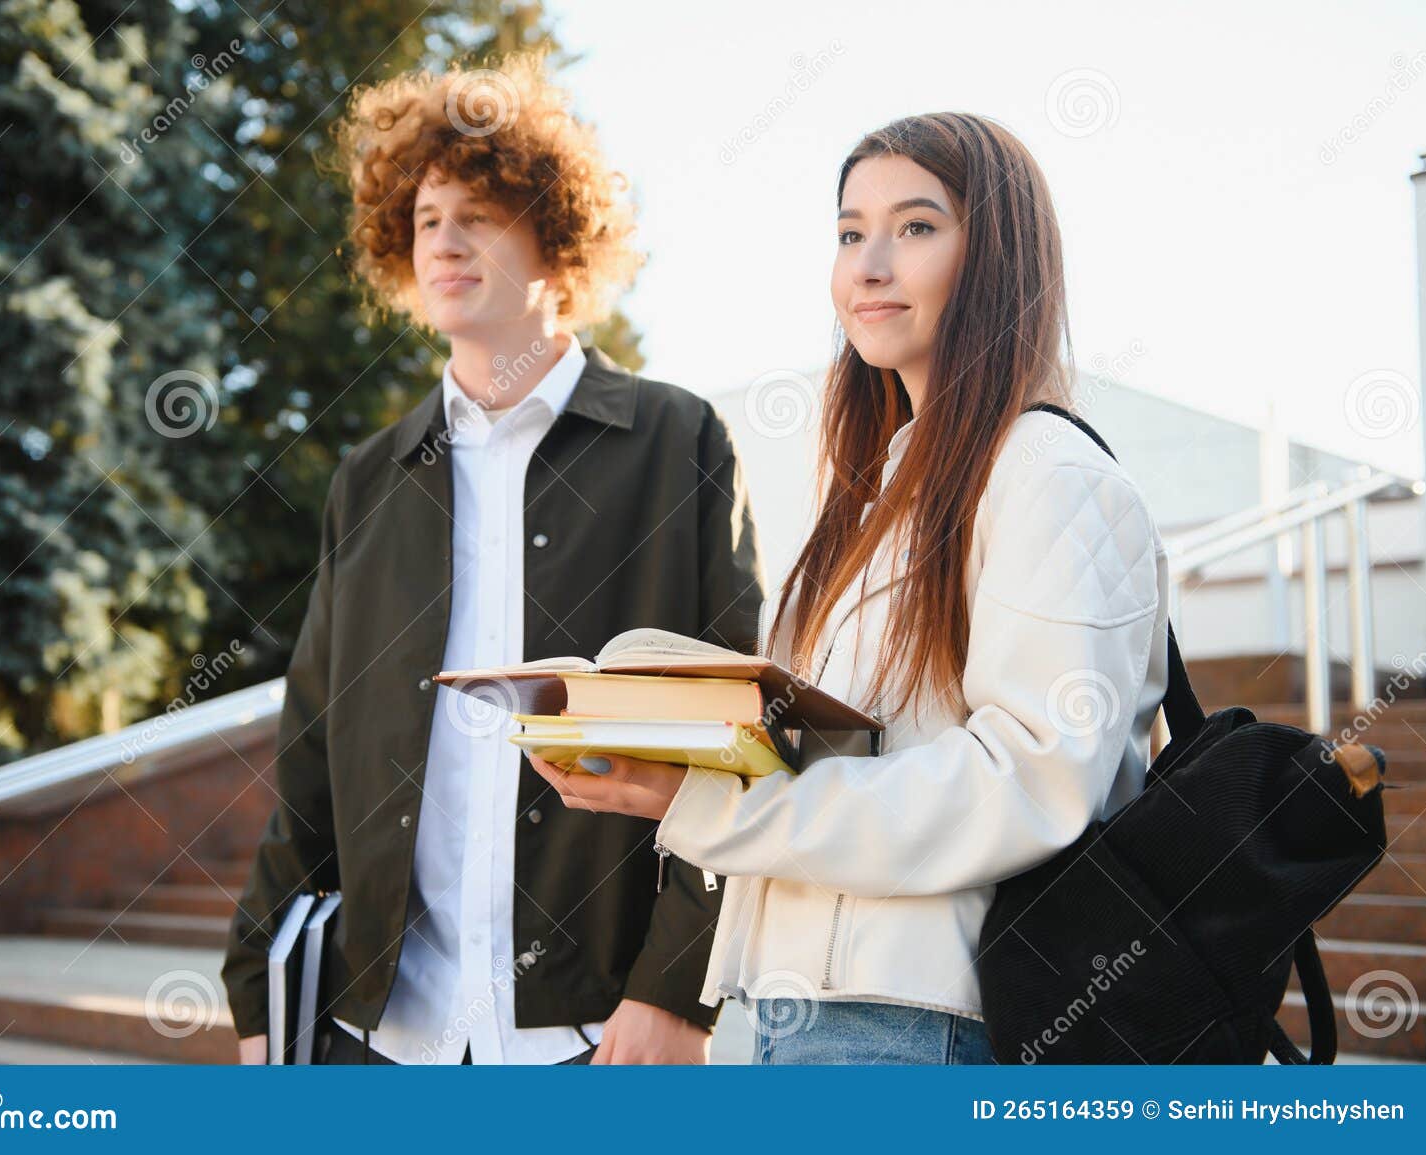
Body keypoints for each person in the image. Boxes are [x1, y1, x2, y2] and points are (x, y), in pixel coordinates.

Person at [530, 112, 1172, 1065]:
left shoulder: (1046, 472)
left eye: (916, 227)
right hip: (812, 1014)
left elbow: (1030, 780)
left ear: (998, 256)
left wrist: (711, 807)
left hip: (929, 1024)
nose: (868, 264)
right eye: (848, 231)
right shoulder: (880, 492)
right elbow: (858, 744)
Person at [222, 53, 764, 1065]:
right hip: (375, 1037)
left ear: (553, 238)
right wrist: (259, 998)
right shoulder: (370, 478)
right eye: (426, 218)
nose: (446, 240)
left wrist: (676, 990)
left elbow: (736, 734)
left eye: (480, 213)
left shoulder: (675, 441)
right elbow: (309, 753)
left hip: (592, 1037)